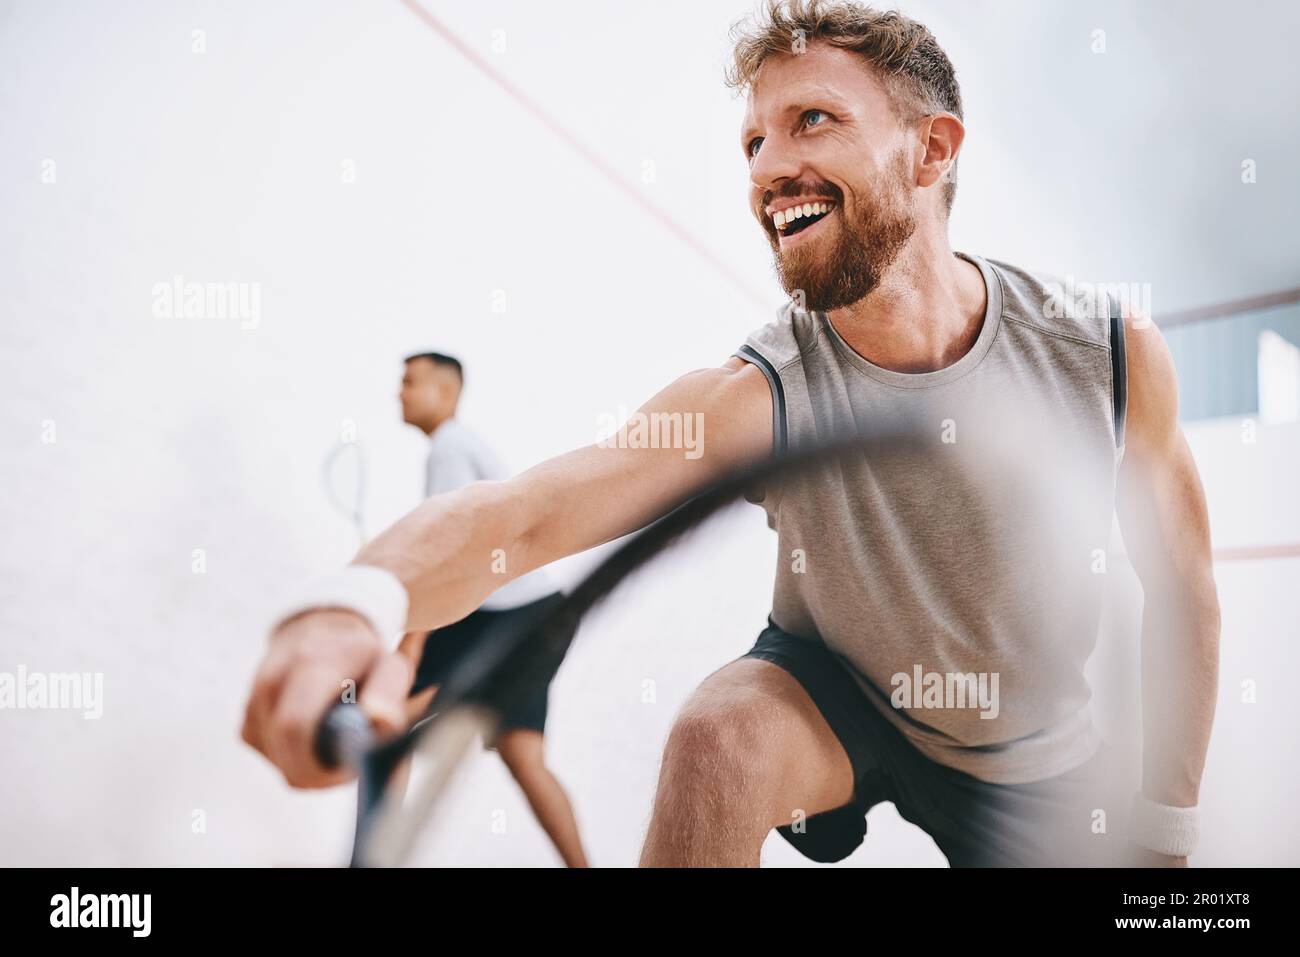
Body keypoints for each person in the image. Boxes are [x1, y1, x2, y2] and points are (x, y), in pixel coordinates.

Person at [242, 1, 1219, 867]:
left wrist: (1165, 827)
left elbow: (1181, 589)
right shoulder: (761, 392)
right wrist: (353, 601)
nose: (767, 169)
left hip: (1031, 757)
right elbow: (529, 516)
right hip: (835, 698)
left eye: (812, 121)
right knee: (720, 734)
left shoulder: (1107, 351)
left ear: (931, 149)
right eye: (751, 142)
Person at [386, 351, 588, 867]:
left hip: (504, 618)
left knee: (384, 717)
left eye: (410, 382)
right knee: (525, 758)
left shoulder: (448, 448)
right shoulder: (461, 447)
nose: (399, 392)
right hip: (542, 615)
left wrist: (410, 643)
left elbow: (445, 552)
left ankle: (375, 857)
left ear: (446, 392)